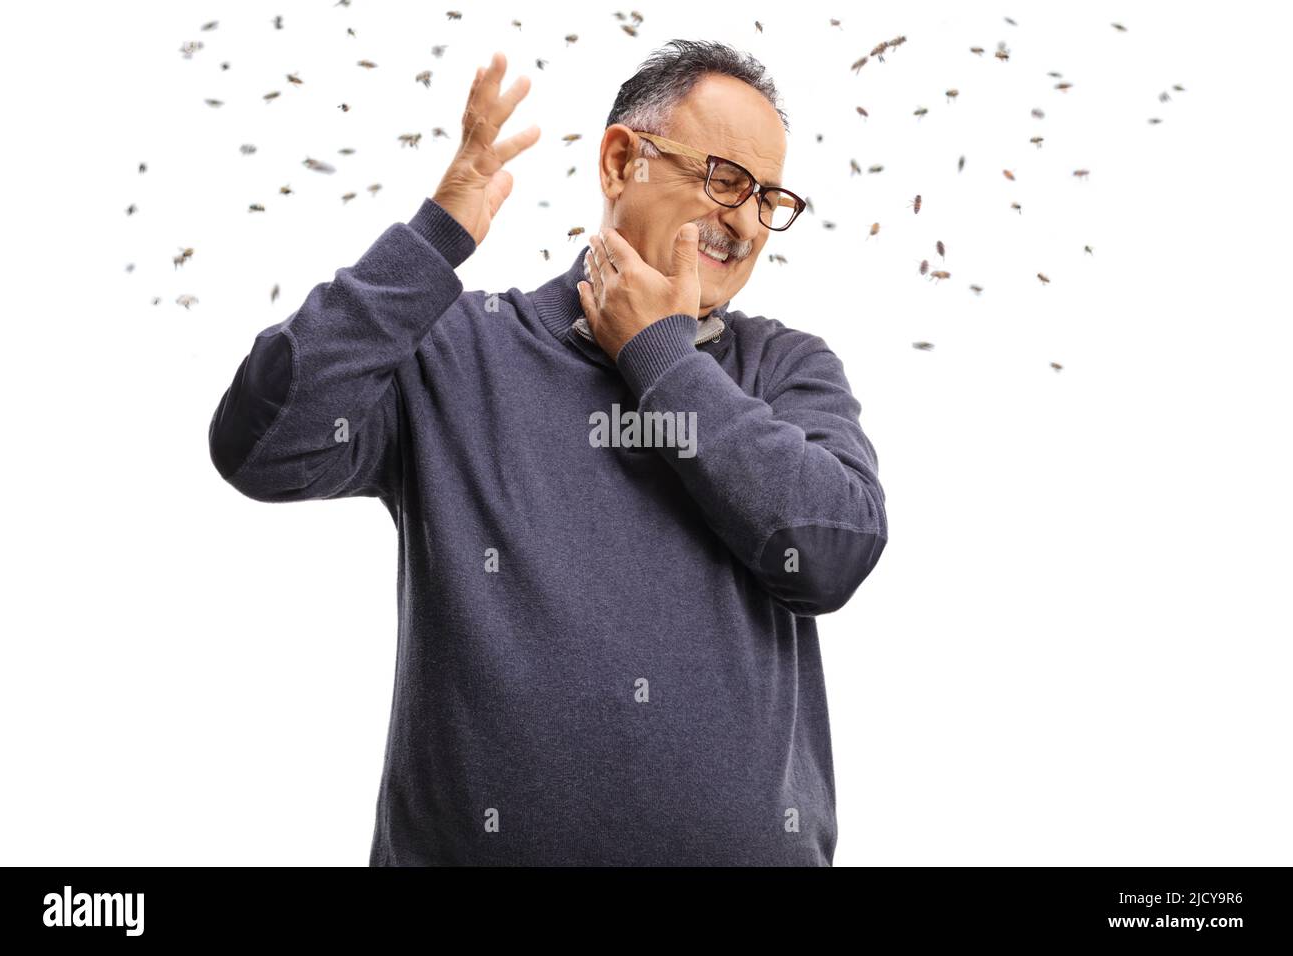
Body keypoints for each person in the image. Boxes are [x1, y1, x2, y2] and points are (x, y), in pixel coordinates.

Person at [208, 40, 888, 866]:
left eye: (768, 199)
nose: (746, 221)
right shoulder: (461, 350)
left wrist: (661, 357)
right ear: (619, 162)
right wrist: (434, 239)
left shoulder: (785, 369)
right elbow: (261, 445)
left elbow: (829, 552)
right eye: (724, 181)